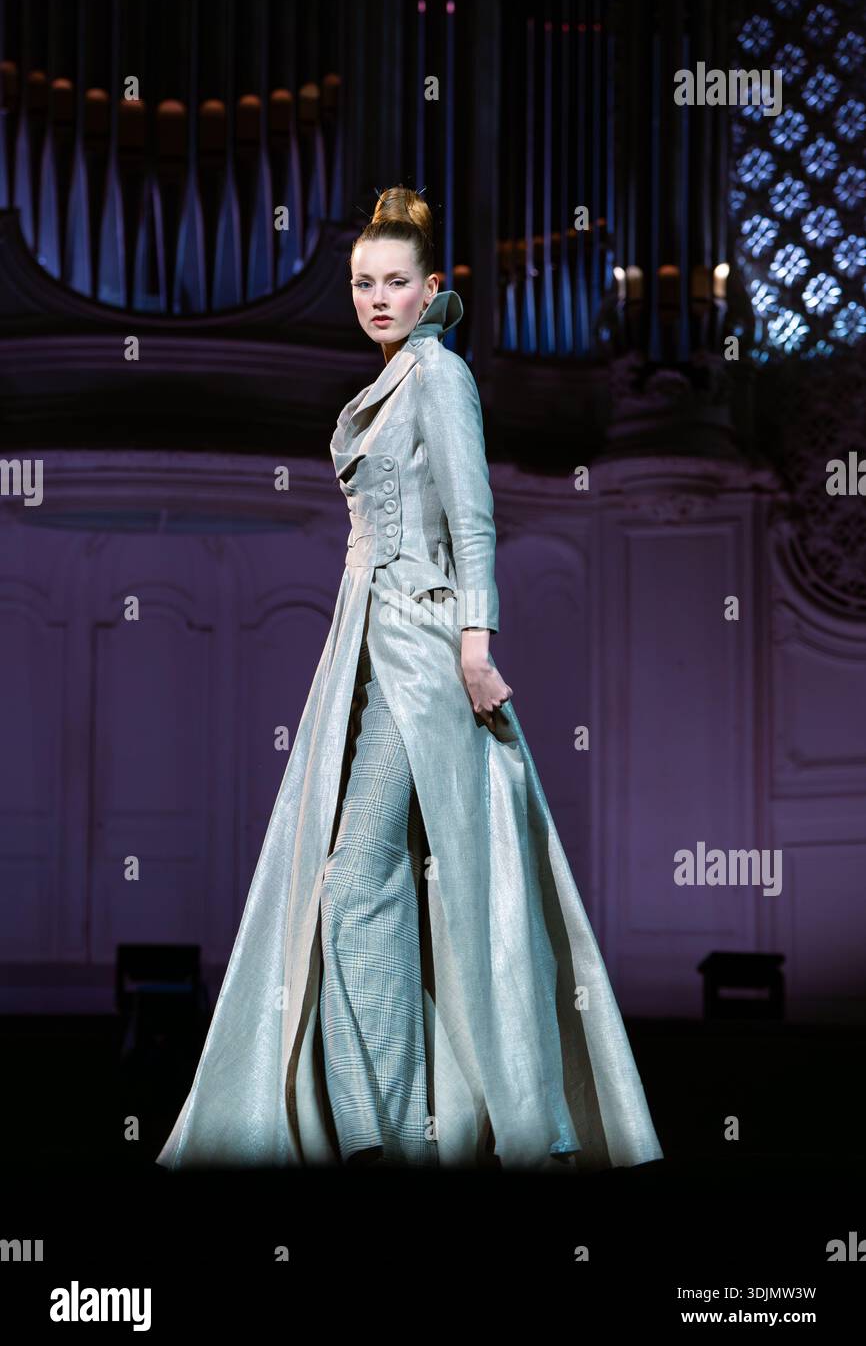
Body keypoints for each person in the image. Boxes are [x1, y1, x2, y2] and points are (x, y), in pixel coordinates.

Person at [156, 186, 664, 1174]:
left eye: (395, 282)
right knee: (346, 878)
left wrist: (475, 643)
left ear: (434, 289)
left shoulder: (439, 374)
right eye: (360, 283)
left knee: (352, 881)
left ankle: (387, 1128)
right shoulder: (391, 382)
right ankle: (378, 1124)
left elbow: (472, 516)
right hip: (359, 642)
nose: (375, 298)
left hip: (421, 647)